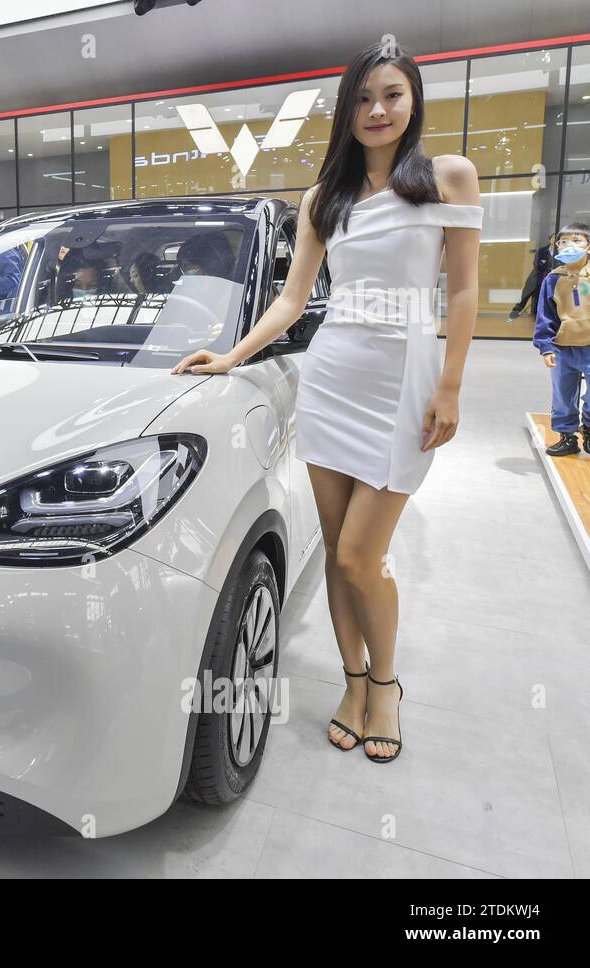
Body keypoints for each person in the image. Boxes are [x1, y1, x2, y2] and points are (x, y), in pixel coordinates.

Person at [173, 42, 483, 763]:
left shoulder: (449, 177)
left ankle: (387, 686)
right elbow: (291, 298)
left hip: (406, 380)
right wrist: (231, 356)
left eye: (392, 96)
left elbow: (463, 289)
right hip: (335, 376)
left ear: (412, 103)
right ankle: (352, 682)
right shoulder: (323, 198)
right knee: (340, 556)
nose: (377, 110)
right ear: (346, 110)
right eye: (364, 98)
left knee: (358, 558)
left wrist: (451, 384)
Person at [532, 222, 590, 457]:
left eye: (576, 241)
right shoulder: (553, 280)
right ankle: (567, 437)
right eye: (563, 241)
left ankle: (588, 429)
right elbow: (545, 316)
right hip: (563, 348)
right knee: (563, 395)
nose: (569, 246)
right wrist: (546, 347)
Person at [509, 231, 557, 322]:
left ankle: (541, 317)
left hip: (550, 278)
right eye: (553, 237)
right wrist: (546, 265)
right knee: (526, 295)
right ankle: (515, 313)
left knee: (545, 297)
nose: (554, 239)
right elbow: (537, 264)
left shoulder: (559, 251)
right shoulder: (542, 250)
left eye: (556, 238)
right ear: (550, 239)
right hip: (537, 277)